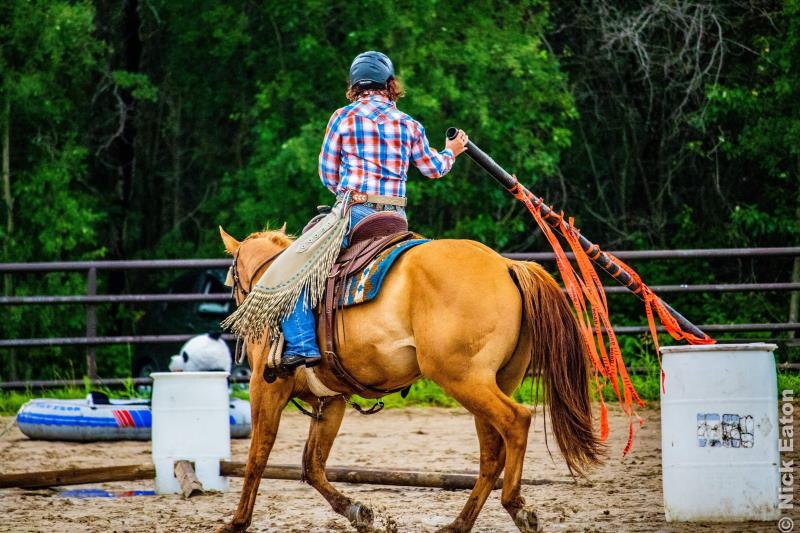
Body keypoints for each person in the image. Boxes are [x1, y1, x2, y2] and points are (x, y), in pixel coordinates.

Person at [279, 51, 469, 370]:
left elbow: (327, 173)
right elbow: (433, 168)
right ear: (390, 85)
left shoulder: (343, 117)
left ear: (355, 87)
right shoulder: (409, 124)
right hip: (395, 220)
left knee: (295, 267)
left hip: (352, 215)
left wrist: (346, 190)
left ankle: (301, 344)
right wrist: (452, 152)